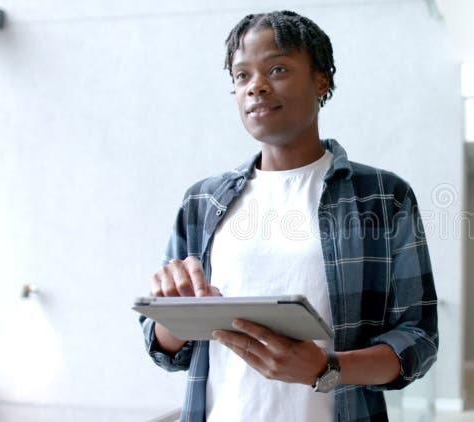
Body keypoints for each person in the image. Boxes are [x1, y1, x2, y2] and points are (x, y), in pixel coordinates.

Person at [139, 10, 438, 422]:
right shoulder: (202, 201)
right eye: (242, 76)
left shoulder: (383, 197)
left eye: (276, 69)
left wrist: (325, 369)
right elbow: (166, 350)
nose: (256, 87)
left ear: (321, 81)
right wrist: (175, 312)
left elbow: (418, 339)